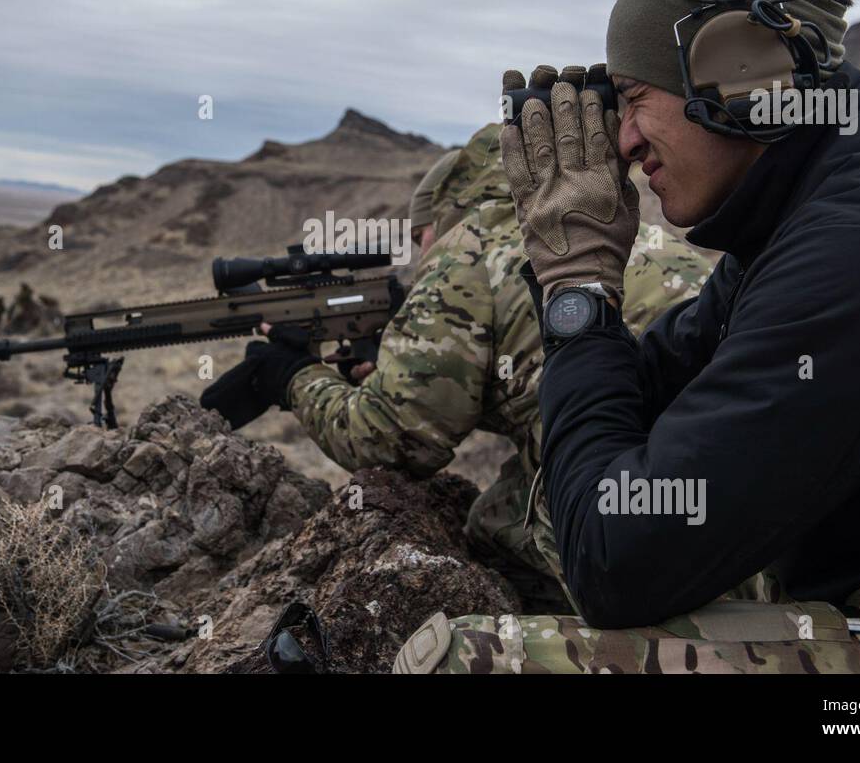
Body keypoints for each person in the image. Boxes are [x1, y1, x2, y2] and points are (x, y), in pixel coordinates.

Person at [411, 0, 860, 673]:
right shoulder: (822, 205)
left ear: (744, 73)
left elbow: (614, 566)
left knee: (467, 661)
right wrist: (579, 295)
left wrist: (577, 286)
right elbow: (653, 394)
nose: (621, 143)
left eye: (634, 97)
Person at [202, 123, 710, 608]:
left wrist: (291, 376)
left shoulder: (467, 245)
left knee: (489, 525)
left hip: (638, 512)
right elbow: (536, 370)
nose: (423, 251)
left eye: (423, 235)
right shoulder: (596, 227)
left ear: (442, 216)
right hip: (724, 476)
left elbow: (389, 438)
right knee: (519, 482)